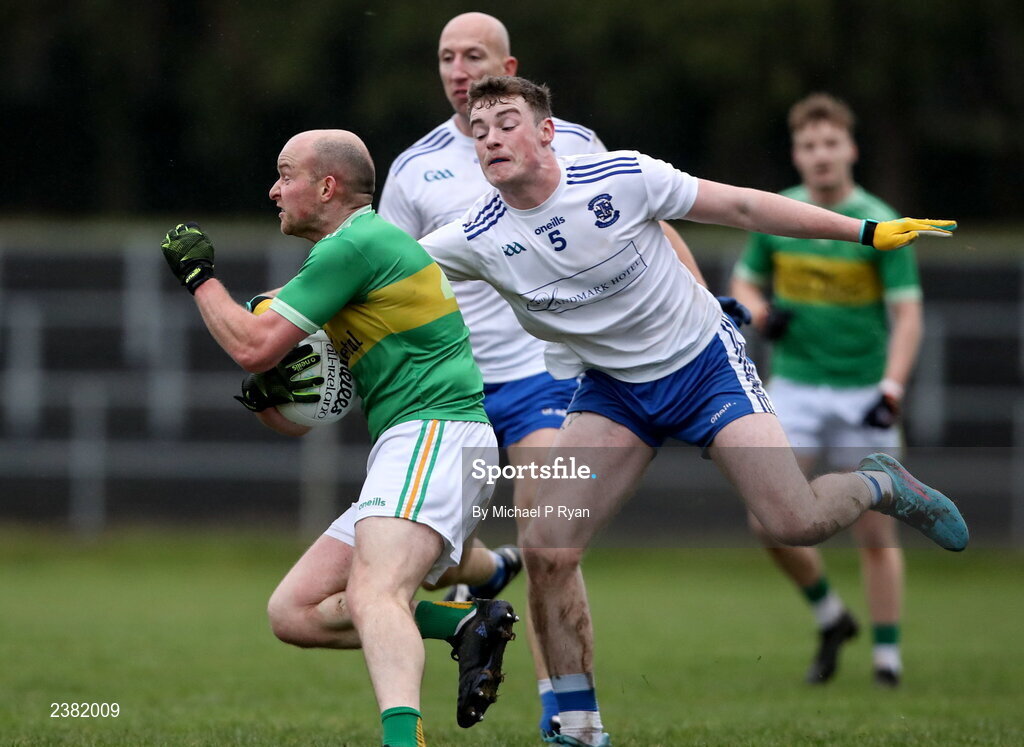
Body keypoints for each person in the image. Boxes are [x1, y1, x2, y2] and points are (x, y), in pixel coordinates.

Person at [418, 75, 967, 747]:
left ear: (545, 132)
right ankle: (577, 723)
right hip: (616, 391)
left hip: (705, 369)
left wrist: (865, 230)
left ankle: (879, 482)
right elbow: (376, 269)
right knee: (545, 545)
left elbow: (739, 207)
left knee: (792, 522)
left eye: (506, 122)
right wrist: (284, 314)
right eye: (479, 130)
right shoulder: (474, 235)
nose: (492, 137)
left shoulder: (621, 179)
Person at [378, 13, 715, 738]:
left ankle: (565, 711)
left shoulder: (570, 142)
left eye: (474, 55)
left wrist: (705, 305)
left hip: (543, 379)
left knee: (550, 536)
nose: (458, 68)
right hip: (452, 387)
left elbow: (651, 219)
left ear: (509, 63)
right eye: (445, 56)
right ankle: (484, 576)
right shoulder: (414, 169)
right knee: (422, 555)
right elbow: (387, 277)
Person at [159, 129, 519, 747]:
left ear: (327, 187)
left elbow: (251, 345)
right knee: (294, 612)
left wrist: (199, 278)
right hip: (420, 443)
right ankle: (466, 623)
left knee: (376, 592)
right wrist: (267, 397)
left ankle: (405, 741)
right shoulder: (349, 253)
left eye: (284, 174)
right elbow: (299, 411)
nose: (274, 190)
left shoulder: (351, 246)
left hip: (436, 433)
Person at [730, 93, 921, 687]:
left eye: (830, 143)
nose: (820, 155)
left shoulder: (879, 222)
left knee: (875, 530)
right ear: (796, 153)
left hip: (865, 392)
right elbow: (743, 281)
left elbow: (908, 316)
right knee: (769, 518)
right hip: (796, 389)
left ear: (851, 149)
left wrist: (891, 388)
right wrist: (760, 314)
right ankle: (830, 613)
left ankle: (886, 657)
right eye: (809, 145)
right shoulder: (780, 214)